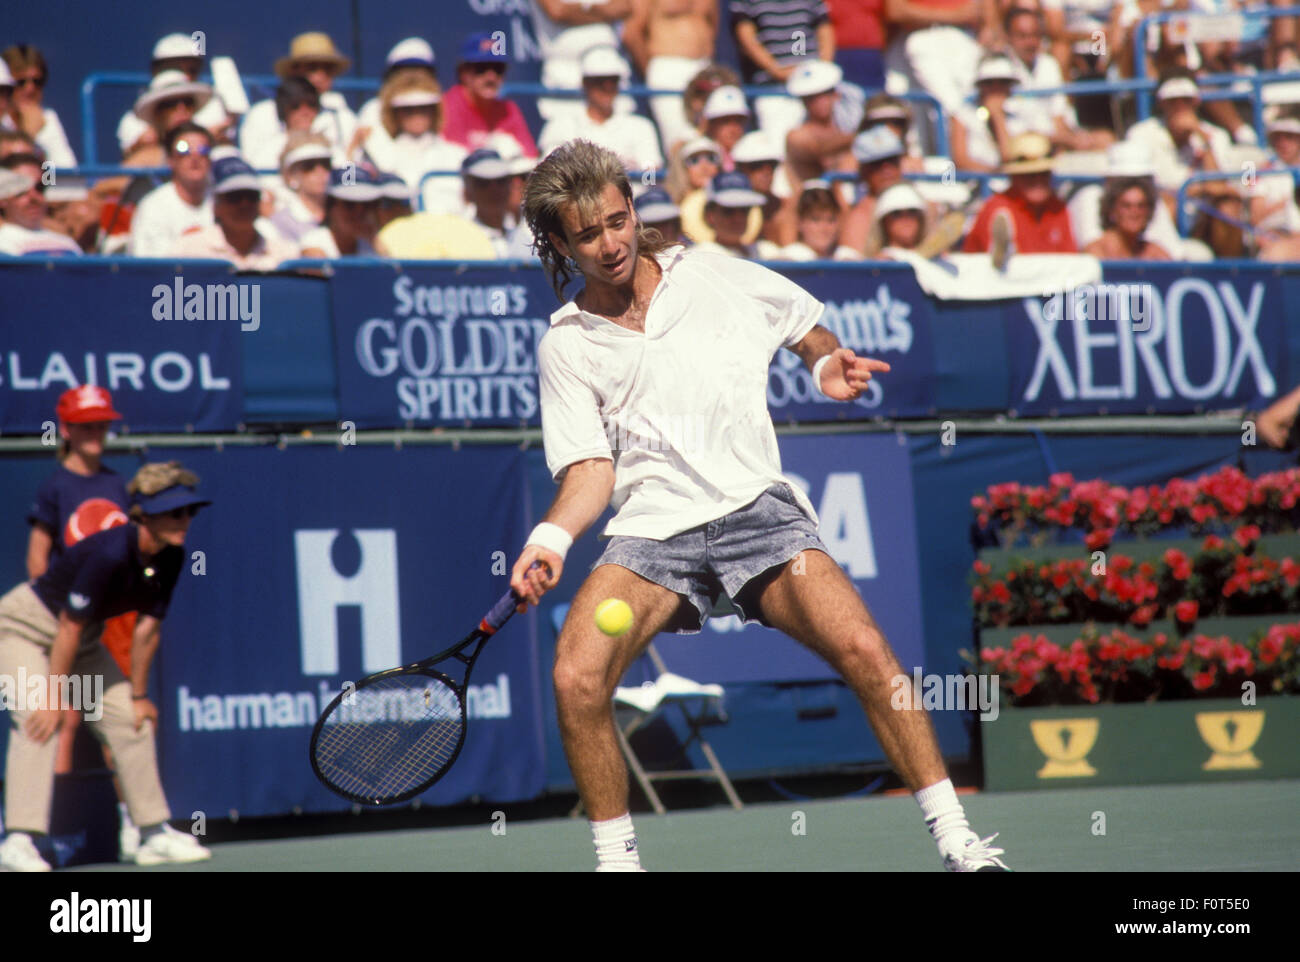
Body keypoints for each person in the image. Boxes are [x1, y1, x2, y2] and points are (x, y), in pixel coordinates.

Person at [512, 138, 1010, 872]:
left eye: (618, 220)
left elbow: (805, 325)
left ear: (632, 209)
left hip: (756, 512)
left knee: (867, 650)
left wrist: (824, 361)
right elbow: (590, 469)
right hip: (653, 534)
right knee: (575, 676)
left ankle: (959, 843)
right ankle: (618, 866)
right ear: (557, 241)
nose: (610, 243)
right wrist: (550, 540)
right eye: (587, 234)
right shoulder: (567, 344)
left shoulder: (711, 274)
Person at [0, 462, 214, 872]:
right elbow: (66, 626)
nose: (185, 521)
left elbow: (147, 631)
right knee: (37, 717)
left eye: (189, 512)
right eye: (175, 512)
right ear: (144, 516)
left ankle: (151, 834)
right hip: (24, 628)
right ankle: (19, 840)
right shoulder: (110, 552)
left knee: (130, 721)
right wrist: (54, 698)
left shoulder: (172, 556)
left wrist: (137, 695)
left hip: (80, 640)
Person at [25, 386, 142, 856]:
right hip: (66, 623)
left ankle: (135, 825)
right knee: (63, 720)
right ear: (67, 430)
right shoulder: (55, 488)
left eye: (102, 424)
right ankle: (52, 832)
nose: (97, 433)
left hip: (112, 626)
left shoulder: (118, 486)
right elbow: (38, 561)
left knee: (120, 721)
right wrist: (58, 618)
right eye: (86, 425)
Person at [539, 46, 664, 175]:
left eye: (613, 80)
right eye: (599, 80)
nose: (607, 87)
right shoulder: (560, 126)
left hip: (633, 194)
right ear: (585, 83)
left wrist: (644, 185)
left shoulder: (641, 126)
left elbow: (651, 176)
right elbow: (548, 174)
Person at [1003, 7, 1112, 152]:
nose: (1030, 42)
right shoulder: (998, 70)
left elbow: (1058, 117)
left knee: (1106, 139)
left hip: (1055, 140)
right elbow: (1017, 131)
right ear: (1008, 37)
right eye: (1022, 36)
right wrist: (1068, 140)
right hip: (1023, 144)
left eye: (1035, 35)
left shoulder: (1048, 64)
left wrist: (1075, 139)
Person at [963, 132, 1077, 267]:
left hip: (1050, 284)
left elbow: (1070, 259)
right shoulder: (996, 208)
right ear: (1013, 177)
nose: (1038, 180)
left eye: (1044, 173)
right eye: (1029, 175)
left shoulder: (1058, 208)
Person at [241, 33, 359, 161]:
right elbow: (253, 166)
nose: (320, 76)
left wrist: (349, 164)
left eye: (328, 69)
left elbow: (350, 171)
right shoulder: (262, 113)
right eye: (312, 68)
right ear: (293, 71)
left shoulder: (343, 117)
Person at [117, 33, 231, 165]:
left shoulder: (213, 106)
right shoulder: (132, 120)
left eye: (192, 70)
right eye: (170, 104)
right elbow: (128, 169)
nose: (186, 75)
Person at [623, 0, 719, 152]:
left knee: (710, 136)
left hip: (704, 67)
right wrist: (651, 70)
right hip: (668, 67)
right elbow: (631, 33)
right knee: (678, 139)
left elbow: (712, 24)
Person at [366, 73, 467, 217]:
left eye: (424, 107)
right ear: (394, 113)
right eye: (408, 109)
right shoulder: (381, 157)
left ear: (434, 110)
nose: (417, 114)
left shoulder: (458, 155)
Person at [173, 156, 297, 269]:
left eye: (251, 196)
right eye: (234, 197)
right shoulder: (187, 250)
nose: (244, 204)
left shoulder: (285, 255)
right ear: (216, 206)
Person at [531, 0, 633, 123]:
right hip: (564, 84)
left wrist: (578, 11)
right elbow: (558, 11)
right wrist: (604, 13)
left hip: (611, 77)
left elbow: (623, 8)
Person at [441, 32, 539, 159]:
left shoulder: (508, 109)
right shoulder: (449, 105)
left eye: (498, 69)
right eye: (481, 68)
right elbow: (455, 159)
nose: (491, 77)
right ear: (463, 73)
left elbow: (530, 157)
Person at [128, 122, 214, 257]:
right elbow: (150, 266)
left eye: (203, 150)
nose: (195, 157)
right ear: (170, 160)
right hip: (173, 278)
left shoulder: (227, 201)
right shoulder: (153, 206)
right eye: (183, 150)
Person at [355, 38, 439, 174]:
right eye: (403, 71)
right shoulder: (373, 109)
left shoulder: (438, 104)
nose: (412, 78)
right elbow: (384, 165)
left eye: (421, 71)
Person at [950, 53, 1029, 174]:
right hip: (975, 187)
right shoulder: (963, 114)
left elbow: (1012, 157)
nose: (996, 88)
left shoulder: (1021, 114)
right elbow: (960, 161)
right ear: (980, 85)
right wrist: (994, 173)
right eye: (989, 82)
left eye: (1003, 82)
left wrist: (998, 117)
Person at [1, 44, 75, 169]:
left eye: (37, 82)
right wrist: (28, 136)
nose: (30, 89)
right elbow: (9, 177)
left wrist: (44, 179)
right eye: (21, 82)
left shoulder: (47, 118)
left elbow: (63, 173)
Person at [784, 60, 857, 185]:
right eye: (810, 97)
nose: (819, 101)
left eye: (825, 94)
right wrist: (860, 135)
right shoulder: (797, 135)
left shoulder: (844, 130)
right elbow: (818, 149)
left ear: (836, 95)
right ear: (803, 101)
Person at [126, 69, 213, 170]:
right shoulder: (146, 157)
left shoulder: (212, 149)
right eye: (171, 104)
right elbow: (110, 183)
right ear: (157, 114)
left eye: (188, 102)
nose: (182, 109)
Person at [839, 124, 908, 253]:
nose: (886, 169)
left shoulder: (921, 204)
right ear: (863, 170)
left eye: (892, 161)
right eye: (877, 164)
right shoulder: (858, 218)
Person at [0, 155, 83, 256]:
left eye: (40, 187)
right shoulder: (3, 242)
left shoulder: (69, 243)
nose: (33, 196)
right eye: (21, 188)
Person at [240, 77, 324, 175]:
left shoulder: (330, 147)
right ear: (283, 110)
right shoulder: (268, 152)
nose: (305, 112)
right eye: (295, 105)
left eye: (311, 104)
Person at [693, 169, 784, 257]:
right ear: (710, 215)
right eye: (728, 210)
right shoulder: (699, 255)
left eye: (745, 209)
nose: (738, 218)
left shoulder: (765, 251)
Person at [1083, 176, 1172, 260]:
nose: (1134, 212)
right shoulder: (1096, 252)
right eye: (1126, 206)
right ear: (1112, 211)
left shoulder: (1154, 252)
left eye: (1141, 206)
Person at [300, 168, 381, 258]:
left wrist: (375, 241)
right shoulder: (314, 243)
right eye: (349, 204)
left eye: (367, 205)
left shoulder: (368, 245)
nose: (359, 212)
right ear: (330, 206)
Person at [267, 133, 331, 244]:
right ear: (291, 175)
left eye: (325, 164)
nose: (320, 172)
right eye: (309, 166)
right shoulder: (280, 221)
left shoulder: (343, 215)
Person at [777, 179, 862, 259]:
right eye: (816, 220)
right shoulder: (787, 257)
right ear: (800, 222)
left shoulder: (849, 258)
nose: (824, 228)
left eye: (830, 220)